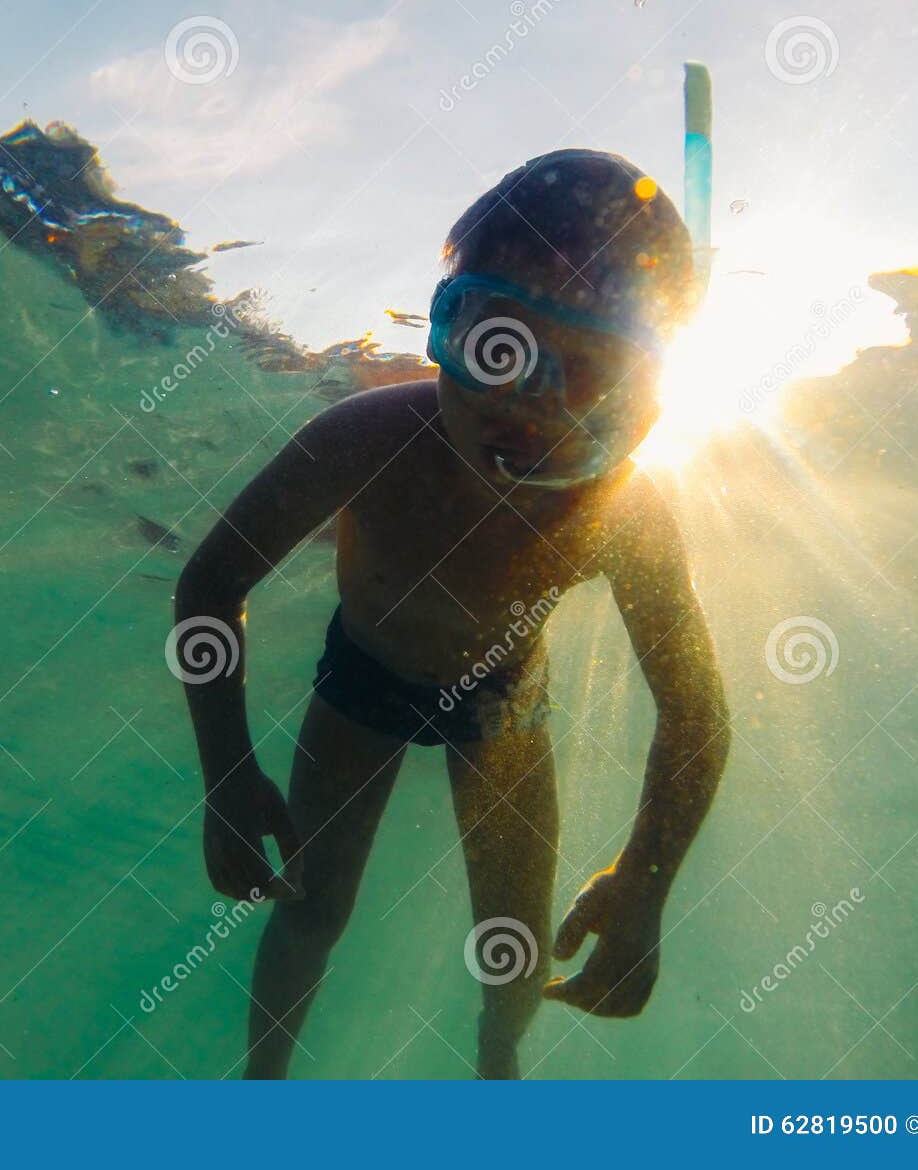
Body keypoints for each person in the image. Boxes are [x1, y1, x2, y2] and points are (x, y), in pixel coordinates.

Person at [173, 149, 730, 1079]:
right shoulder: (368, 438)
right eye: (495, 345)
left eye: (586, 371)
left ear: (646, 399)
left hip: (500, 705)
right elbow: (211, 583)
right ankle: (263, 1093)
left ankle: (496, 1063)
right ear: (443, 325)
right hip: (367, 683)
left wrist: (647, 883)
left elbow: (696, 714)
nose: (524, 403)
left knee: (513, 952)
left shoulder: (622, 516)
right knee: (310, 912)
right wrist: (225, 776)